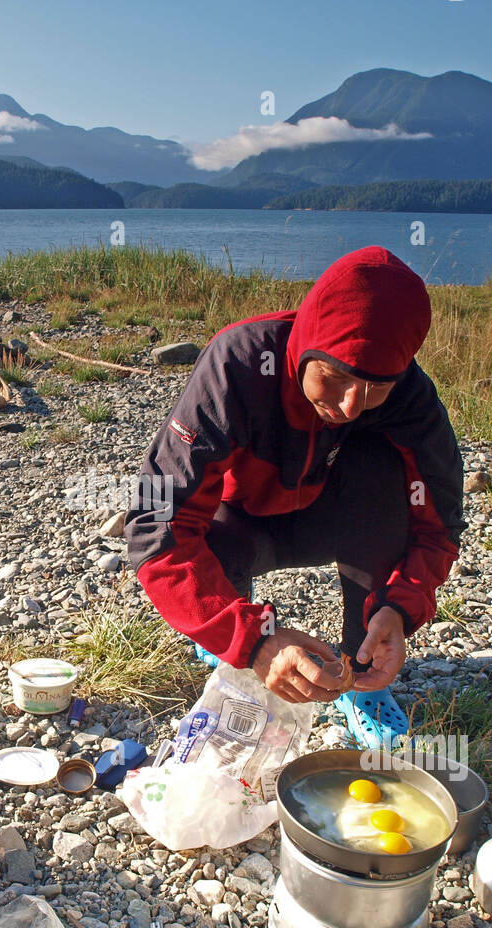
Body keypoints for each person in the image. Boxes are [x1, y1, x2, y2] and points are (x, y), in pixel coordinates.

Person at [124, 246, 465, 714]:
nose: (349, 406)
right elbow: (155, 521)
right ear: (308, 345)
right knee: (209, 545)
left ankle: (362, 676)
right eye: (335, 376)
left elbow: (439, 528)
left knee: (380, 462)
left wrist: (399, 609)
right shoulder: (237, 365)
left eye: (375, 390)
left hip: (331, 521)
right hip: (239, 524)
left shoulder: (410, 397)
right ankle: (230, 650)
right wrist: (252, 640)